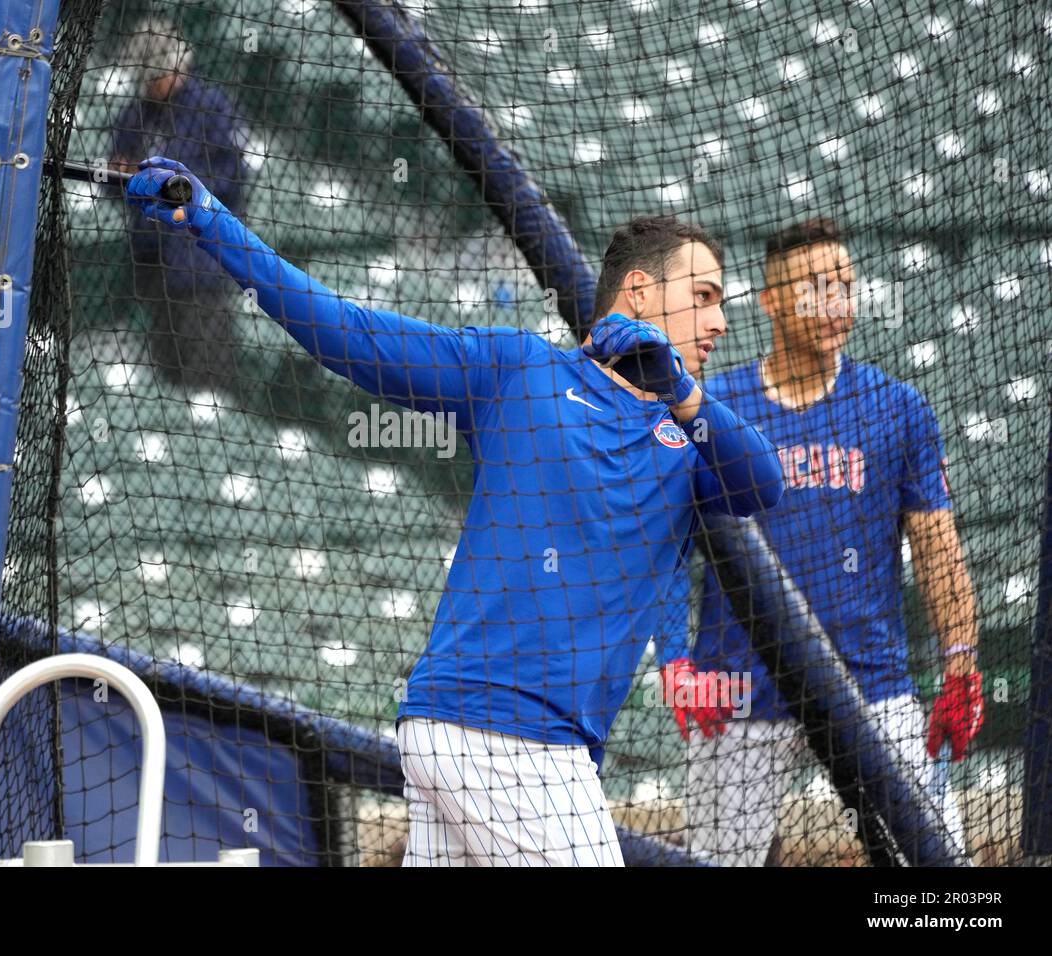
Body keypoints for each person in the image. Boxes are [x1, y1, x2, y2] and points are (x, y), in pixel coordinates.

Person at [125, 157, 785, 865]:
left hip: (488, 739)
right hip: (507, 735)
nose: (719, 321)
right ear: (640, 292)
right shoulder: (519, 371)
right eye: (706, 294)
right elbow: (345, 331)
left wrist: (681, 392)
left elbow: (762, 485)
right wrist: (211, 221)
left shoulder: (694, 438)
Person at [665, 217, 982, 865]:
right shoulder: (713, 407)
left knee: (939, 863)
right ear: (771, 300)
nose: (835, 301)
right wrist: (676, 658)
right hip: (740, 689)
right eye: (814, 286)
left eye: (845, 284)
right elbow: (666, 544)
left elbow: (937, 546)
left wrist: (960, 662)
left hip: (872, 685)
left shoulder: (898, 408)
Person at [109, 20, 249, 390]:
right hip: (152, 257)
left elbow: (234, 177)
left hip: (199, 261)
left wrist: (178, 193)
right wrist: (118, 177)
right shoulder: (135, 115)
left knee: (207, 372)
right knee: (165, 368)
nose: (151, 84)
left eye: (157, 75)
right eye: (145, 77)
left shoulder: (210, 108)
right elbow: (116, 180)